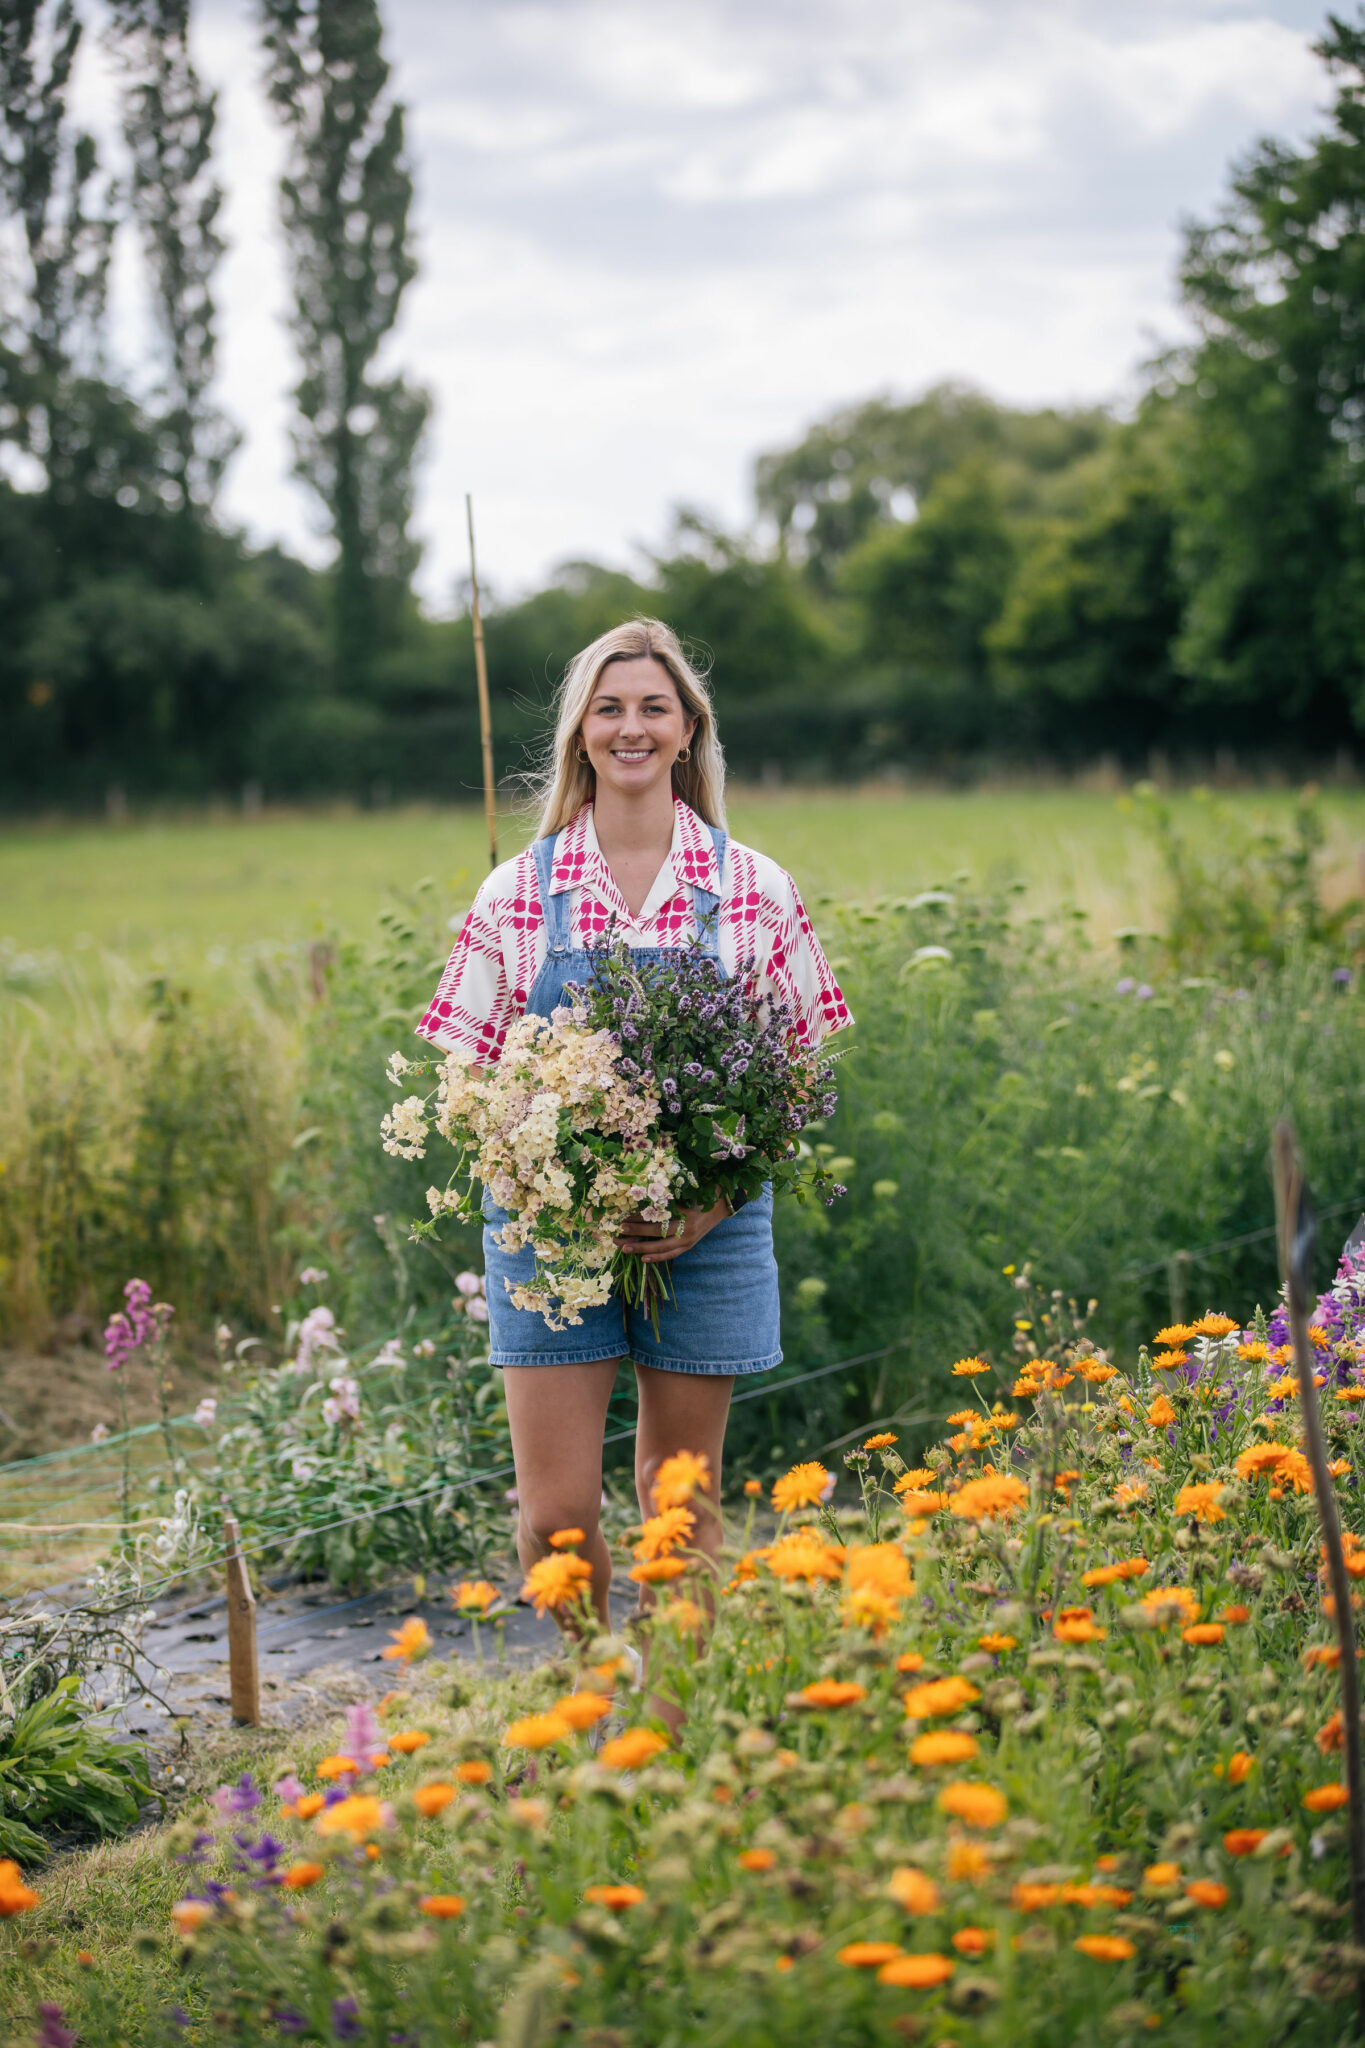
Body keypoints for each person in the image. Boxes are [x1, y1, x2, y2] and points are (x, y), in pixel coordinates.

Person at [417, 617, 850, 1632]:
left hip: (710, 1223)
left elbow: (795, 1077)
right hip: (551, 1229)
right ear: (579, 735)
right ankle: (588, 1677)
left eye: (654, 706)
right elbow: (467, 1083)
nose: (631, 726)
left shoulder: (752, 887)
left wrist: (706, 1203)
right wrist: (561, 1171)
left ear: (688, 729)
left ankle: (669, 1723)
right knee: (555, 1517)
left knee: (680, 1498)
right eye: (609, 707)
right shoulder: (521, 890)